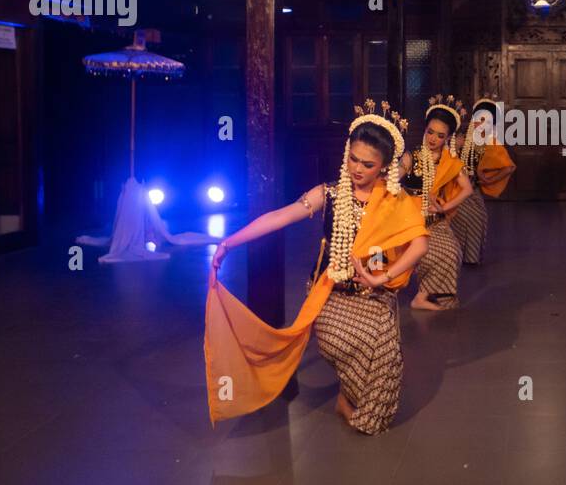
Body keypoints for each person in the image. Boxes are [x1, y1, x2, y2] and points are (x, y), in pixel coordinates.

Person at [204, 100, 429, 434]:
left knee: (382, 351)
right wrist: (229, 242)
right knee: (338, 342)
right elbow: (280, 216)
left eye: (367, 164)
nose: (357, 168)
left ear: (383, 167)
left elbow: (420, 244)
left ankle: (351, 403)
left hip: (375, 294)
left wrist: (382, 276)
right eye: (353, 158)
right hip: (332, 293)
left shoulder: (394, 202)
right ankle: (349, 396)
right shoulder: (329, 194)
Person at [401, 94, 474, 310]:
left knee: (451, 251)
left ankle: (423, 296)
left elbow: (467, 189)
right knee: (428, 251)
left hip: (435, 219)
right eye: (430, 132)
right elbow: (396, 175)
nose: (432, 139)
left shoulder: (450, 162)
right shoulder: (412, 155)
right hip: (409, 220)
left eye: (440, 136)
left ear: (448, 138)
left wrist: (445, 206)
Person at [448, 95, 516, 266]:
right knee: (457, 221)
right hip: (452, 189)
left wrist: (486, 179)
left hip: (472, 190)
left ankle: (470, 259)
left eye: (487, 120)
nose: (482, 123)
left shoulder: (489, 141)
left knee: (478, 219)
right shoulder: (461, 136)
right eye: (480, 118)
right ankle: (456, 257)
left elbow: (509, 167)